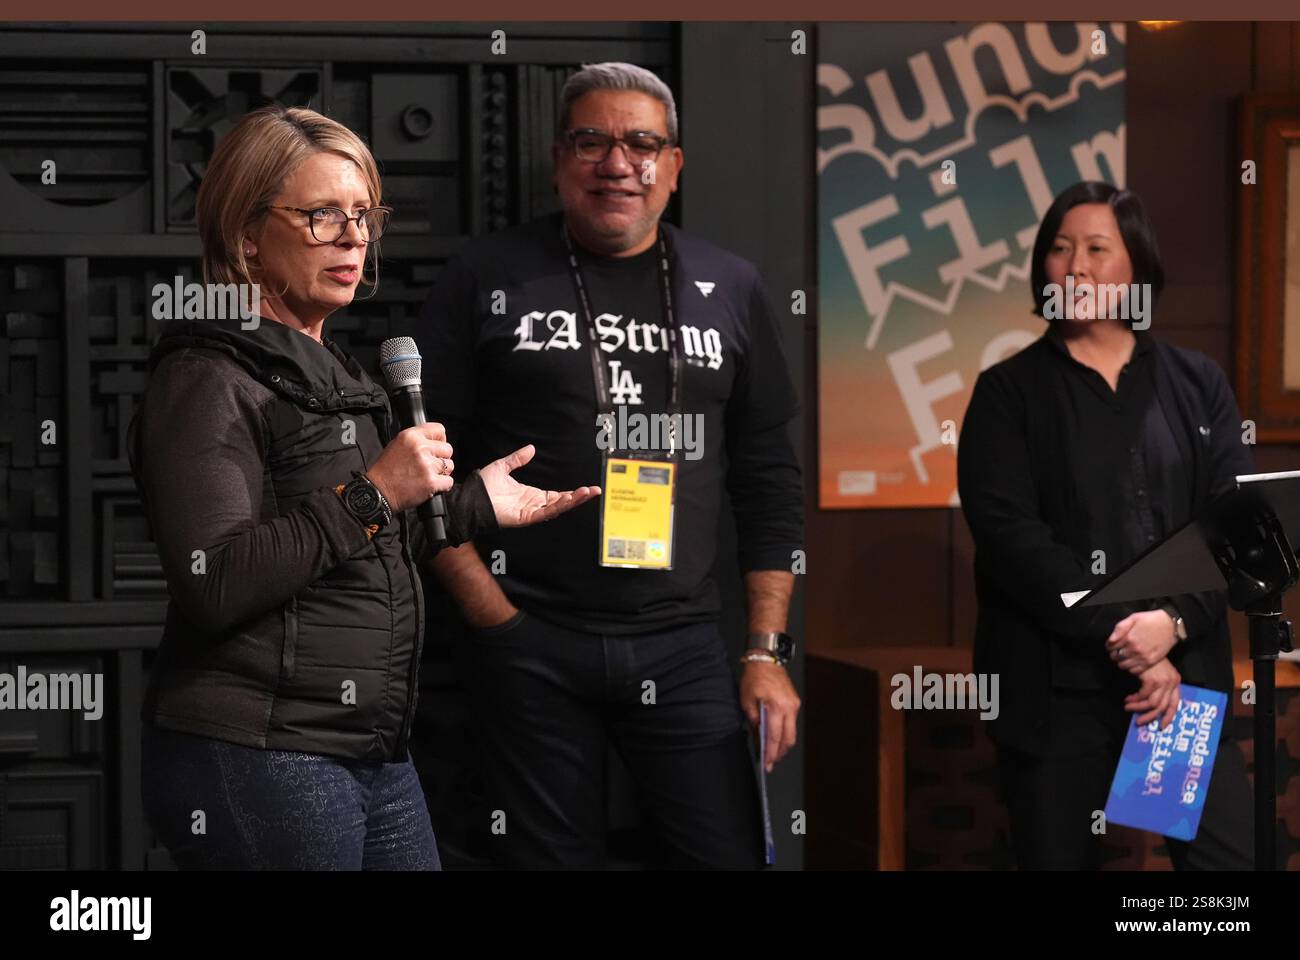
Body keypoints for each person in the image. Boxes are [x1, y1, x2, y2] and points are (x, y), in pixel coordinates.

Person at [128, 105, 598, 870]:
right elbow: (215, 581)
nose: (354, 238)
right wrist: (376, 493)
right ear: (247, 233)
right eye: (321, 216)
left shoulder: (340, 372)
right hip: (263, 748)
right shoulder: (206, 377)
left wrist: (467, 501)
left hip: (368, 747)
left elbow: (345, 550)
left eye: (362, 214)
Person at [414, 62, 803, 869]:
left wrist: (765, 653)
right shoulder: (487, 278)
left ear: (674, 166)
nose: (617, 163)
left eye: (642, 144)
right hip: (528, 635)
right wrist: (492, 615)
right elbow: (418, 464)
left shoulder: (730, 286)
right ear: (560, 160)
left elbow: (768, 477)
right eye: (592, 141)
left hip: (684, 640)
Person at [957, 180, 1254, 870]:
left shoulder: (1195, 382)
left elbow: (1234, 524)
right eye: (1060, 250)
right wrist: (1132, 638)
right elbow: (1013, 541)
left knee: (1225, 876)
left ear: (1138, 267)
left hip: (1176, 686)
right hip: (1059, 692)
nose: (1077, 267)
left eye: (1097, 248)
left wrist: (1171, 627)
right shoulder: (1008, 393)